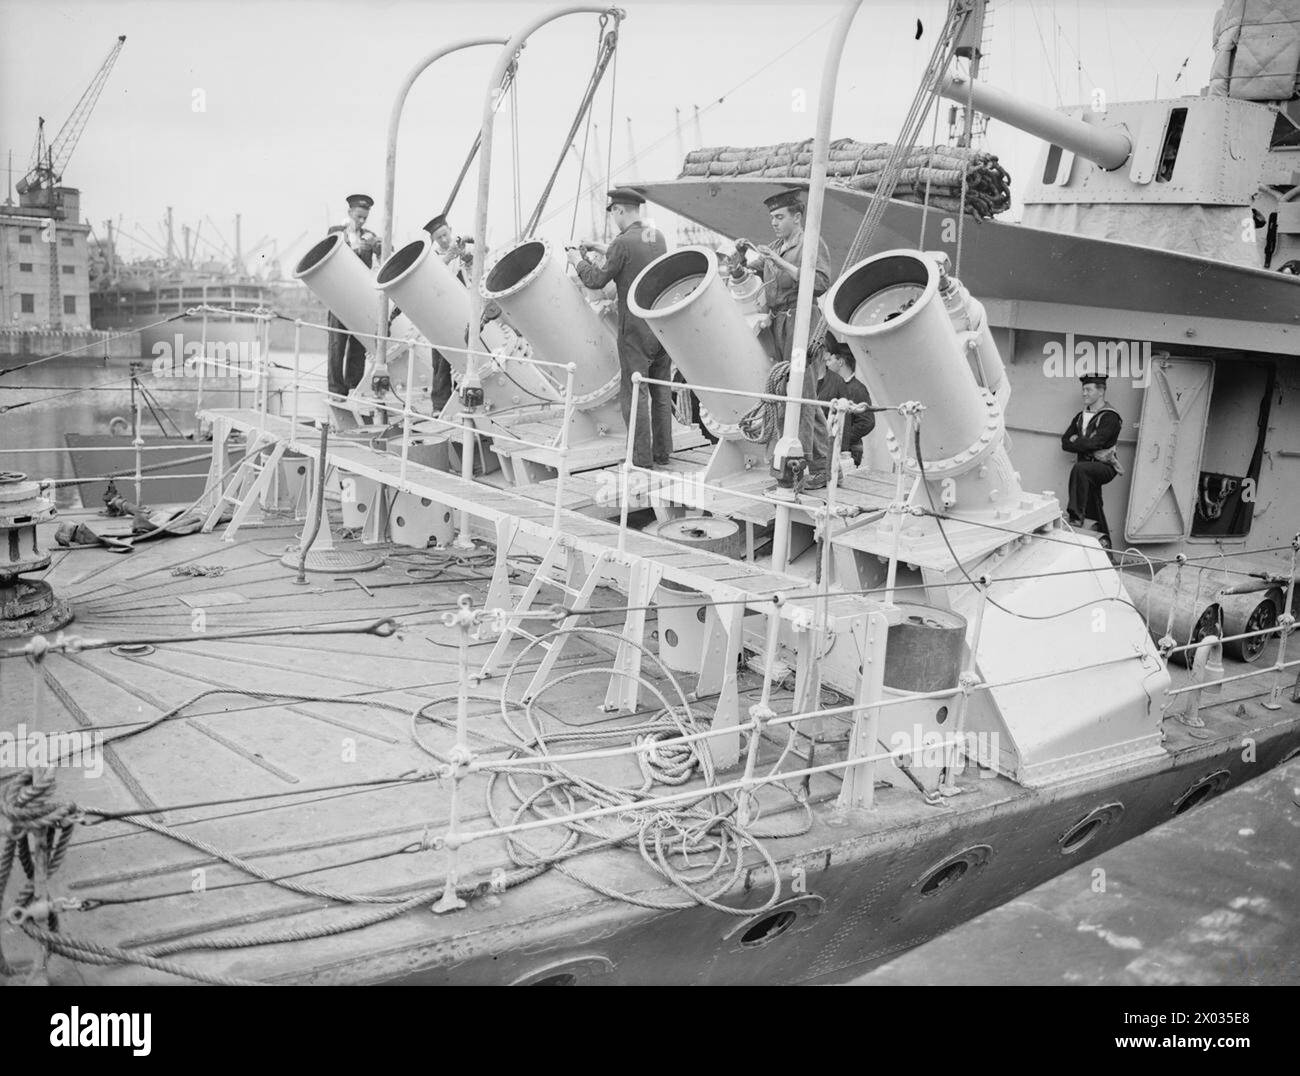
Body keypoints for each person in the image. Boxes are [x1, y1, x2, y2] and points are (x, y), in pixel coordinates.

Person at [567, 187, 673, 469]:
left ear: (619, 211)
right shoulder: (656, 237)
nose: (614, 217)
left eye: (614, 212)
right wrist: (598, 246)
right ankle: (662, 452)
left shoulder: (622, 244)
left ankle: (640, 459)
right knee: (660, 390)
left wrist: (578, 261)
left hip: (635, 329)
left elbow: (596, 280)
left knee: (635, 392)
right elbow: (630, 254)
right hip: (661, 325)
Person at [755, 188, 833, 488]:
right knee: (790, 394)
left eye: (779, 217)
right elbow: (763, 275)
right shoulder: (779, 245)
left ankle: (812, 468)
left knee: (804, 393)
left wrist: (780, 260)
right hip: (782, 325)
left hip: (803, 323)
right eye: (772, 218)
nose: (774, 223)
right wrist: (741, 261)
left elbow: (821, 282)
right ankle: (809, 464)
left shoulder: (811, 244)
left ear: (797, 217)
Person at [325, 194, 381, 399]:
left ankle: (354, 386)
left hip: (359, 300)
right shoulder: (337, 232)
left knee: (358, 345)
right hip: (339, 298)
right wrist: (352, 239)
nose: (361, 221)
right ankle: (336, 389)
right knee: (337, 344)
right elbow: (332, 245)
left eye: (365, 218)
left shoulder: (369, 236)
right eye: (358, 216)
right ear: (349, 213)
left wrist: (378, 245)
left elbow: (384, 254)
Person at [1061, 373, 1123, 547]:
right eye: (1083, 390)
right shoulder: (1080, 417)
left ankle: (1075, 517)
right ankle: (1105, 546)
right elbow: (1065, 443)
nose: (1084, 394)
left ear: (1101, 391)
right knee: (1093, 504)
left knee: (1080, 469)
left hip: (1105, 467)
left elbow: (1098, 442)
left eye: (1088, 389)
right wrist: (1085, 444)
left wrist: (1077, 441)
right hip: (1088, 469)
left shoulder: (1110, 417)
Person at [817, 337, 874, 467]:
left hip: (850, 450)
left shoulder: (857, 389)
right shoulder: (832, 383)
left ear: (840, 362)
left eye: (830, 360)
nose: (827, 363)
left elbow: (867, 422)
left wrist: (841, 436)